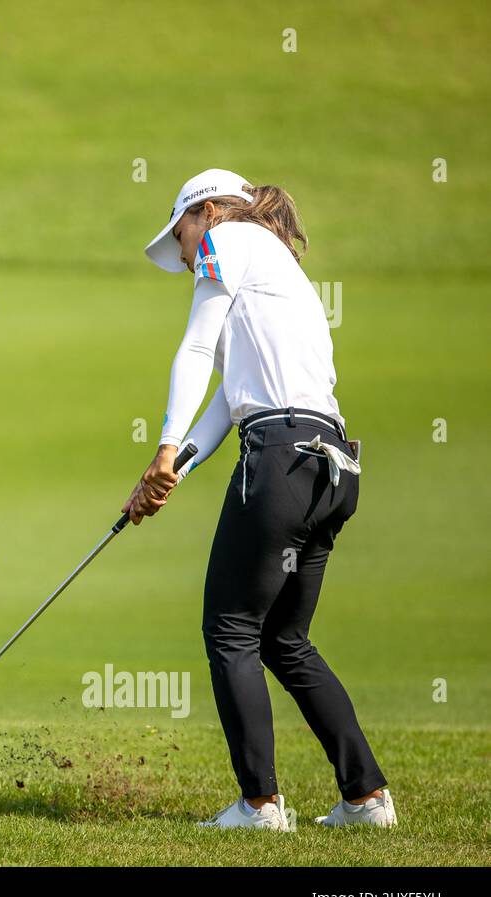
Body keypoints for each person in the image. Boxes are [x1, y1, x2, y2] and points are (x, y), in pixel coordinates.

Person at [127, 169, 396, 830]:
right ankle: (365, 799)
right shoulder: (281, 274)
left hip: (278, 459)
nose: (187, 253)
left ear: (209, 211)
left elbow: (194, 346)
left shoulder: (231, 238)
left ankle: (259, 805)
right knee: (284, 638)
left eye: (184, 235)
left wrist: (162, 444)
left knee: (230, 629)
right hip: (330, 470)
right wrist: (174, 468)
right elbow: (228, 397)